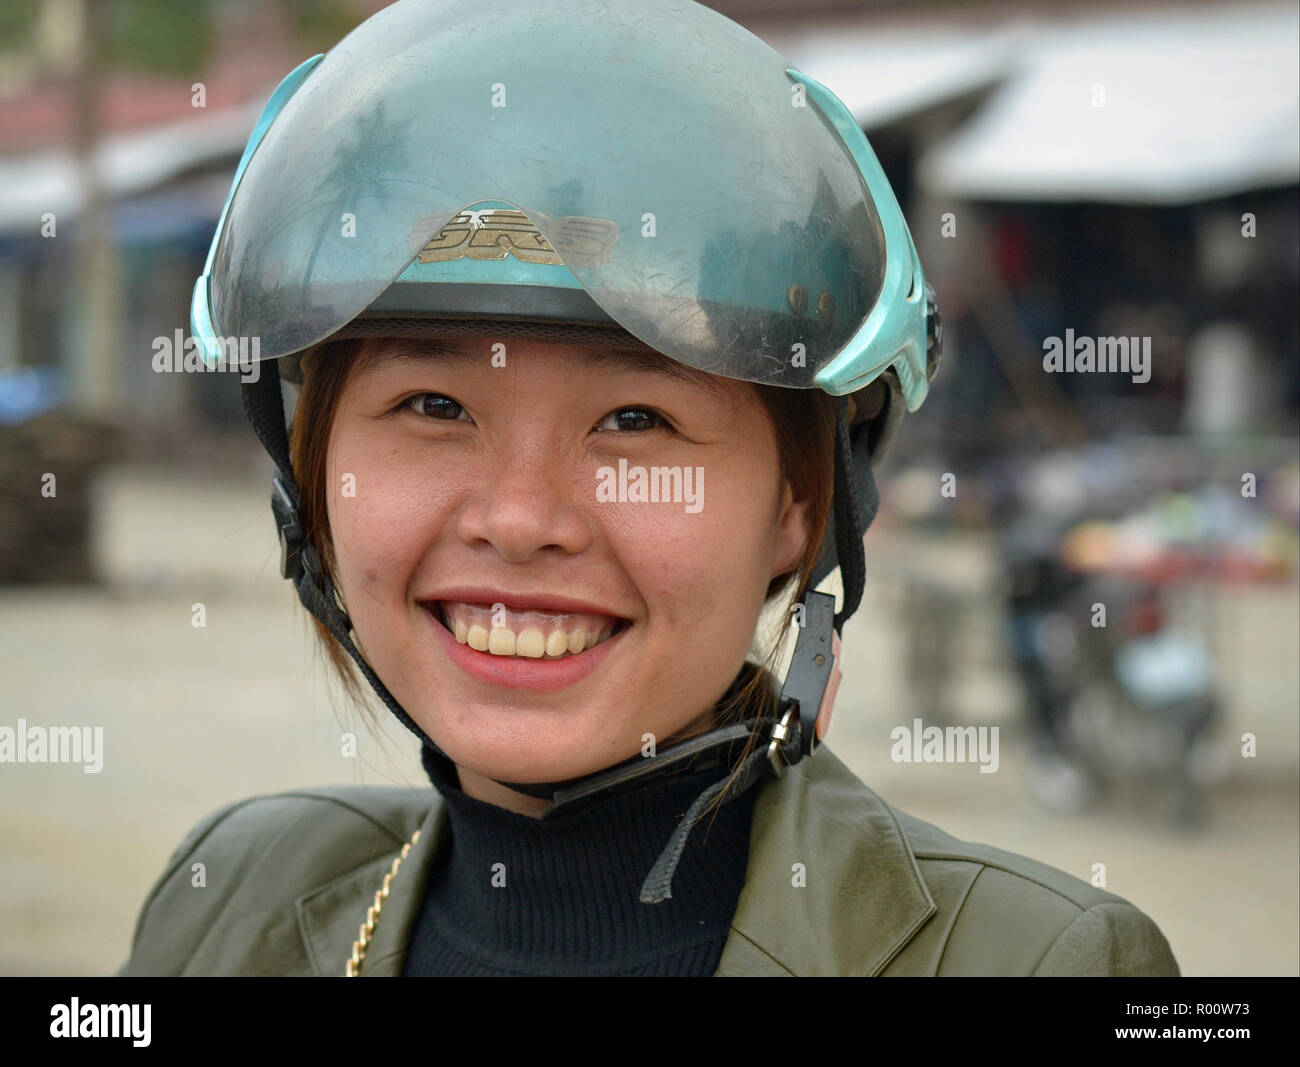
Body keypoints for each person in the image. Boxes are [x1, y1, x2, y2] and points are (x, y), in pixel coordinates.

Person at [117, 0, 1179, 976]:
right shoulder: (231, 896)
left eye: (637, 421)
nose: (521, 519)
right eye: (434, 406)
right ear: (310, 487)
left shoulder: (1045, 959)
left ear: (799, 511)